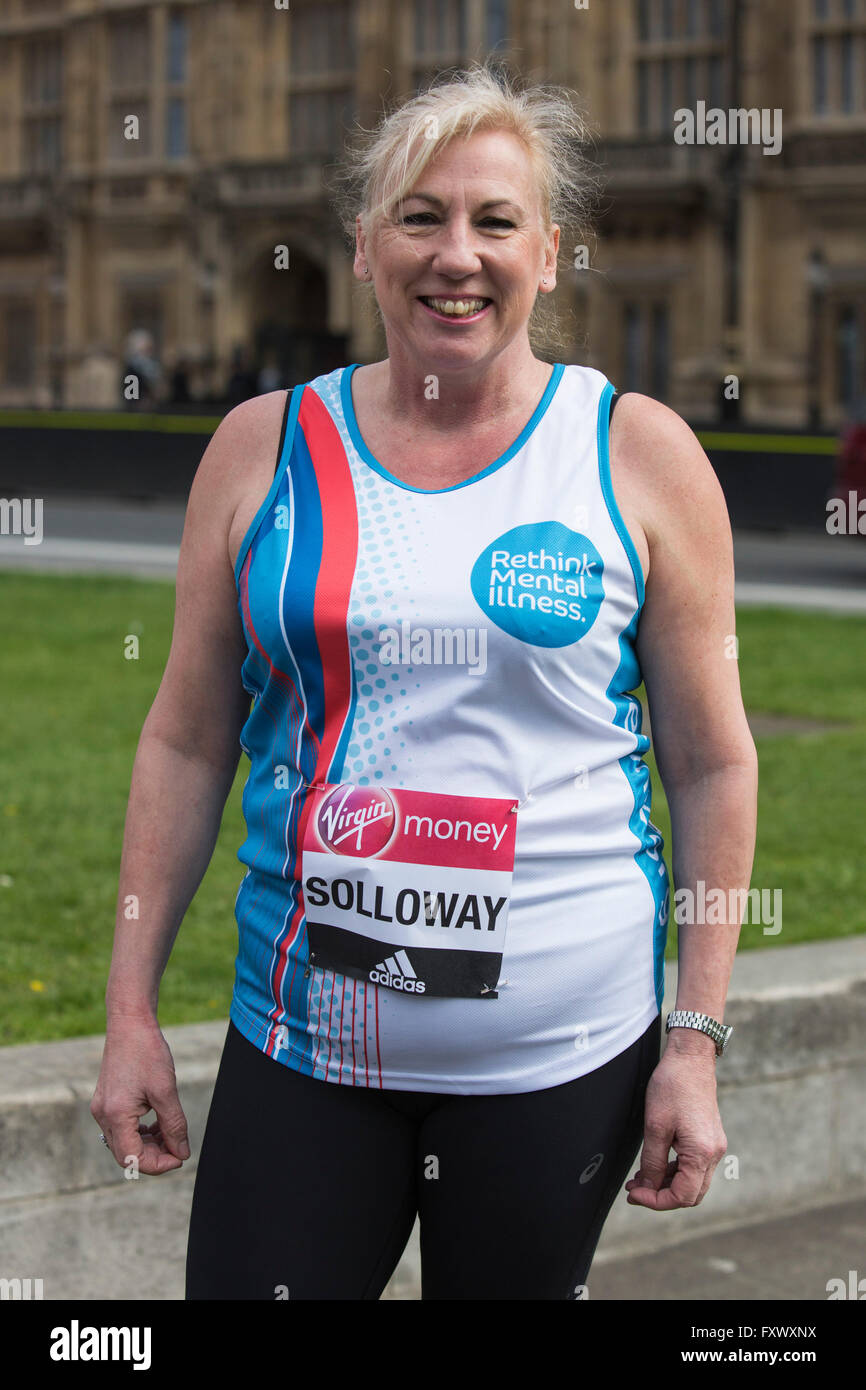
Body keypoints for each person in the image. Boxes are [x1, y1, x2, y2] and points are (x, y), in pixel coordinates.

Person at [90, 63, 758, 1301]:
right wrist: (129, 1009)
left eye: (495, 221)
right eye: (420, 216)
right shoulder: (261, 446)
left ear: (547, 255)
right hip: (304, 1039)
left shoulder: (636, 453)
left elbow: (712, 760)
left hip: (558, 1060)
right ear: (362, 247)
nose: (458, 253)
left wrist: (695, 1040)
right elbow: (186, 739)